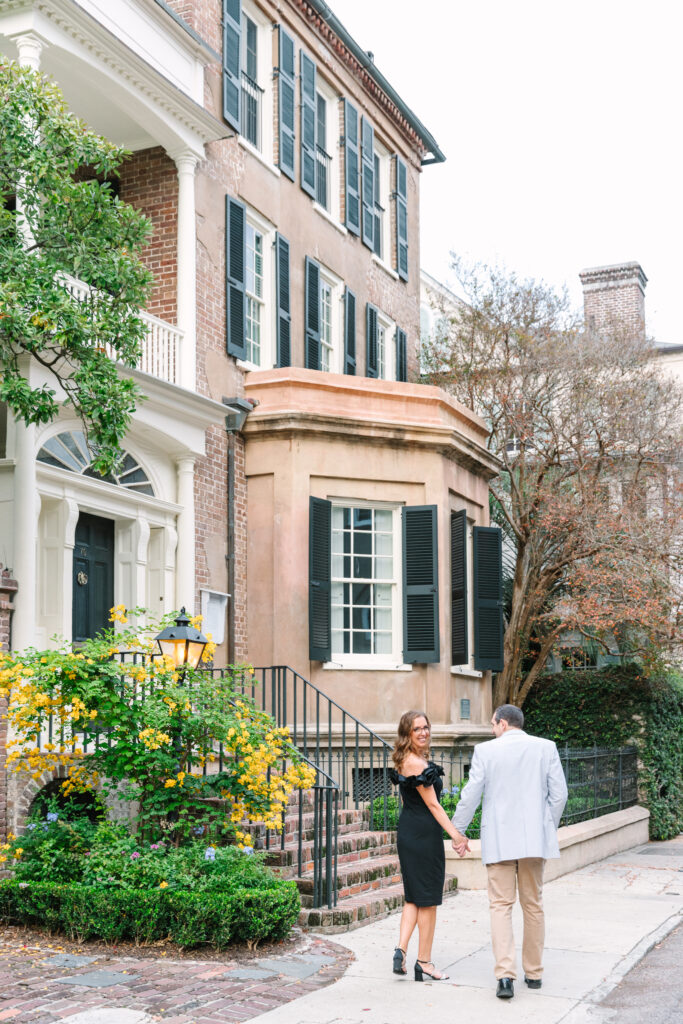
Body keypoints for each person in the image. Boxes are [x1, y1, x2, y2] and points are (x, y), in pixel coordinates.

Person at [451, 703, 568, 1000]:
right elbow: (560, 795)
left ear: (503, 723)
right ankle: (534, 973)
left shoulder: (486, 751)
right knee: (533, 904)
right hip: (533, 842)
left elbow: (471, 794)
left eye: (492, 724)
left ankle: (505, 975)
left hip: (500, 839)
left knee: (500, 906)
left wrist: (458, 830)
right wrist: (546, 827)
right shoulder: (546, 748)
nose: (492, 730)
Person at [389, 709, 468, 982]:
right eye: (417, 729)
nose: (423, 732)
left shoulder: (403, 760)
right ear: (407, 734)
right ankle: (424, 962)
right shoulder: (418, 765)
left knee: (413, 895)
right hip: (423, 836)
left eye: (426, 727)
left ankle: (401, 950)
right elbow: (433, 805)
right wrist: (456, 836)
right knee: (429, 901)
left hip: (409, 832)